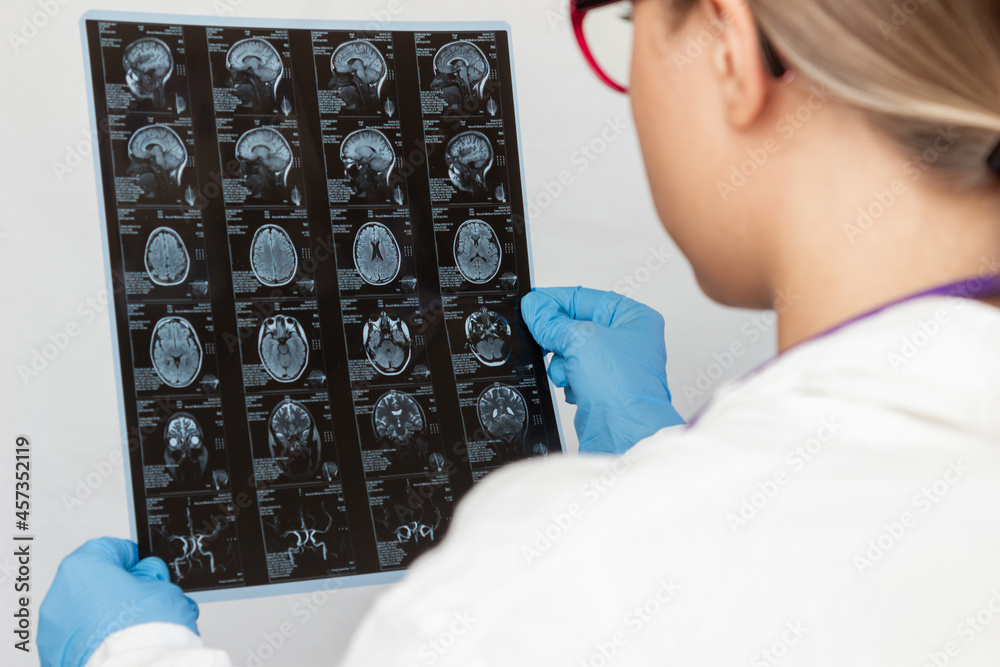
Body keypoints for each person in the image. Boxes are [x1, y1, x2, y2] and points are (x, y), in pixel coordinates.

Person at [41, 0, 1000, 664]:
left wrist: (136, 653)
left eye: (624, 22)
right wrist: (659, 464)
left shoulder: (541, 589)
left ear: (730, 49)